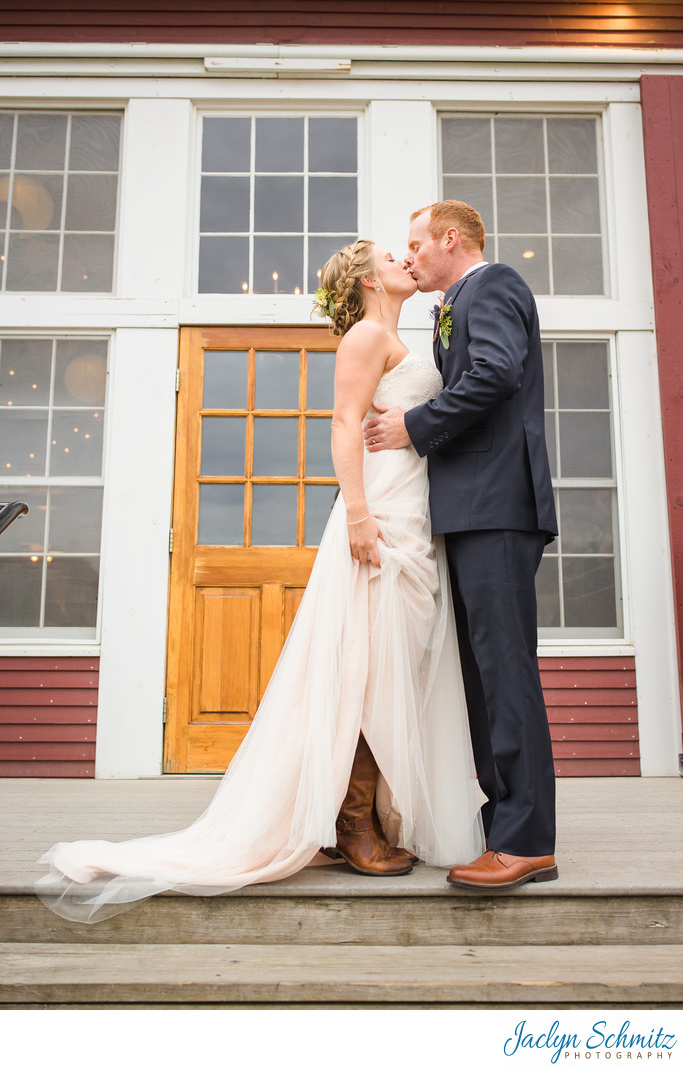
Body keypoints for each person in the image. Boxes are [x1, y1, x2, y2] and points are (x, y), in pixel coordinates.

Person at [36, 238, 485, 923]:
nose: (404, 259)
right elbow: (341, 424)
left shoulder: (405, 330)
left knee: (397, 666)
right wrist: (358, 513)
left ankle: (359, 814)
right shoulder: (366, 336)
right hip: (380, 516)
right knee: (365, 668)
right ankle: (352, 823)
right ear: (367, 278)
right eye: (390, 254)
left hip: (417, 512)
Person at [363, 201, 559, 891]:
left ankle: (526, 839)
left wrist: (414, 425)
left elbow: (496, 374)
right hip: (470, 508)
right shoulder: (454, 303)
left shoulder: (496, 283)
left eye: (416, 244)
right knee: (481, 674)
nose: (409, 256)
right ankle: (502, 816)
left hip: (497, 506)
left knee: (504, 670)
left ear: (452, 240)